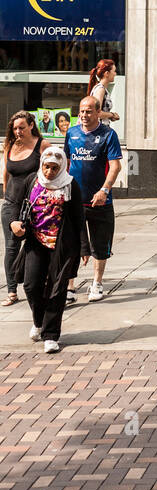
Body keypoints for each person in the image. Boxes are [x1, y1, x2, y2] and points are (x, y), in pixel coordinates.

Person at [10, 145, 85, 354]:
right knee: (31, 285)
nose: (49, 172)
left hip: (62, 245)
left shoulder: (70, 185)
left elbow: (79, 217)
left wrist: (85, 248)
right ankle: (39, 321)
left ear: (61, 167)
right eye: (46, 167)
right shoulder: (32, 181)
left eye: (54, 168)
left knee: (57, 289)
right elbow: (17, 207)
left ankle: (51, 335)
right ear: (41, 165)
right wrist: (14, 224)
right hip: (35, 241)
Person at [64, 96, 122, 301]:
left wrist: (104, 190)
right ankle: (69, 286)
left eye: (88, 111)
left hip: (100, 201)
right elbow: (67, 163)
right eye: (81, 111)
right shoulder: (71, 133)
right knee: (71, 244)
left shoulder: (108, 135)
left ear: (98, 113)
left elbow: (115, 166)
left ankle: (97, 283)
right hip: (74, 200)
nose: (84, 115)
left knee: (100, 245)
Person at [1, 111, 45, 307]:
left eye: (21, 128)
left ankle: (38, 283)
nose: (18, 131)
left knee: (36, 246)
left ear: (31, 126)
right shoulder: (10, 146)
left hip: (33, 205)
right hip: (11, 203)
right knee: (11, 248)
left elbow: (55, 169)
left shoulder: (42, 146)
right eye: (15, 128)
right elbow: (6, 175)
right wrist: (6, 198)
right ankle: (11, 290)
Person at [88, 59, 120, 125]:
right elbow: (97, 113)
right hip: (99, 131)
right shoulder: (100, 89)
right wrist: (112, 115)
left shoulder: (102, 89)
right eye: (114, 71)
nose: (115, 74)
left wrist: (110, 116)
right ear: (107, 73)